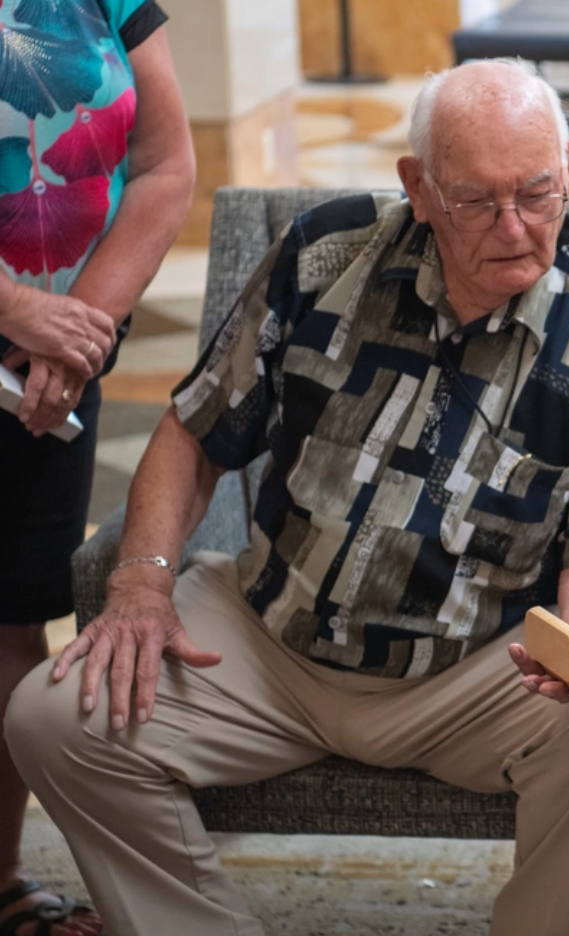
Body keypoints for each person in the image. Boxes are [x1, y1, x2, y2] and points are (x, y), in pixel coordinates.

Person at [5, 59, 569, 936]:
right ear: (419, 188)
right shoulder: (327, 254)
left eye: (536, 192)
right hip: (270, 641)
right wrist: (141, 582)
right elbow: (195, 432)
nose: (515, 227)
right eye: (476, 200)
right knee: (53, 719)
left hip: (476, 669)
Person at [0, 0, 194, 932]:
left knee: (10, 615)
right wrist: (15, 308)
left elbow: (164, 166)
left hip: (45, 372)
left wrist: (79, 332)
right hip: (26, 331)